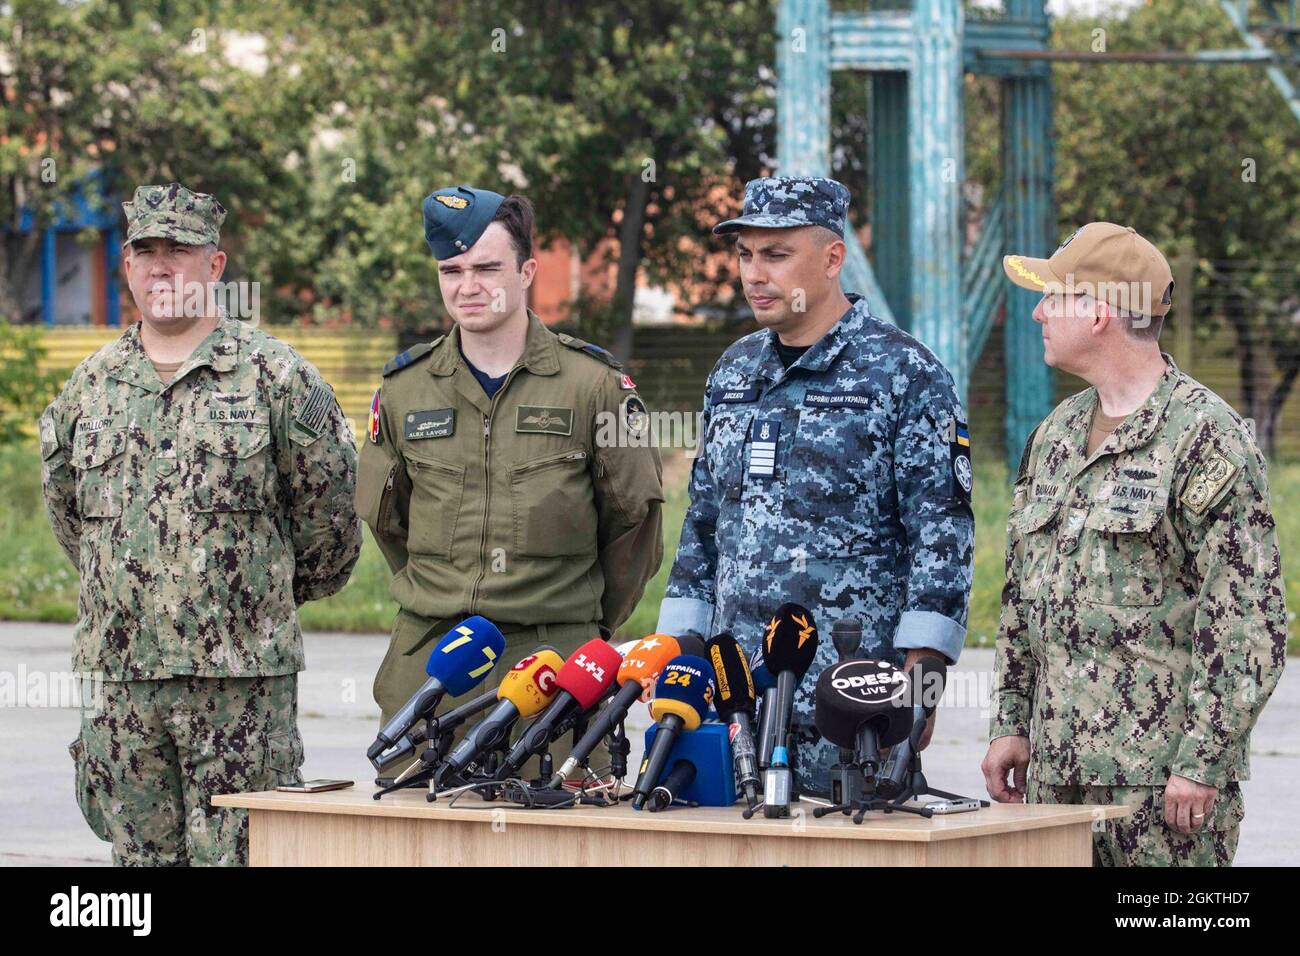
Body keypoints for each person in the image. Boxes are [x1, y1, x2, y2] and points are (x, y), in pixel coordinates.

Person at [41, 182, 361, 865]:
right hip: (122, 684)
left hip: (239, 689)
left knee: (242, 859)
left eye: (179, 251)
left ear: (214, 267)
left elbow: (329, 523)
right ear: (126, 266)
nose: (161, 267)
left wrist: (252, 601)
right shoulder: (89, 389)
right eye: (145, 252)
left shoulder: (277, 379)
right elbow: (73, 521)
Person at [656, 176, 975, 795]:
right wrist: (681, 644)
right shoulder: (734, 370)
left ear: (832, 258)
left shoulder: (903, 373)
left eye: (776, 255)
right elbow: (704, 521)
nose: (754, 274)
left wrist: (923, 688)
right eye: (746, 254)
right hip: (736, 698)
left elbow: (942, 534)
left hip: (854, 704)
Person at [982, 221, 1287, 865]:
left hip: (1161, 794)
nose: (1038, 311)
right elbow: (1021, 597)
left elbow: (1247, 622)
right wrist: (1011, 721)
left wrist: (1203, 762)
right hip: (1054, 785)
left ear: (1098, 313)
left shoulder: (1206, 438)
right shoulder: (1055, 435)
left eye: (1053, 297)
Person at [356, 185, 664, 772]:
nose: (468, 286)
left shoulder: (592, 386)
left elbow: (636, 524)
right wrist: (441, 594)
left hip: (555, 668)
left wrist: (583, 622)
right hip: (431, 664)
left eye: (487, 267)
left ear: (526, 271)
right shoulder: (404, 390)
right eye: (452, 269)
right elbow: (387, 520)